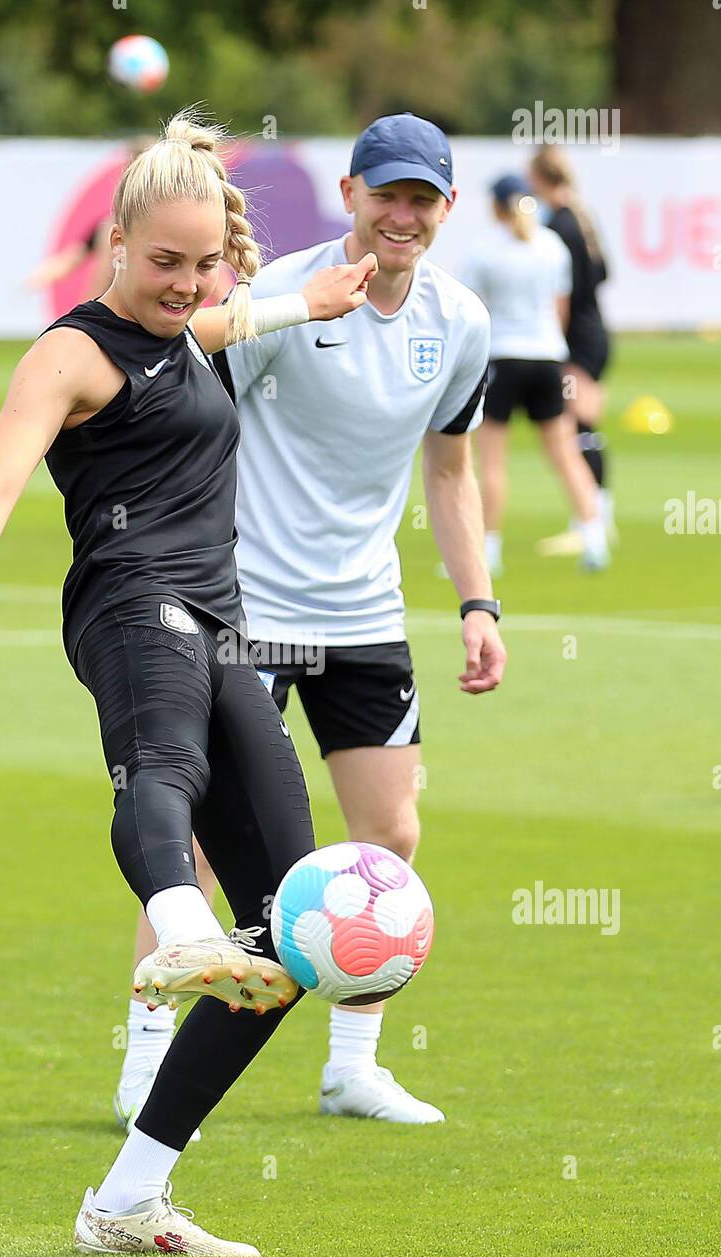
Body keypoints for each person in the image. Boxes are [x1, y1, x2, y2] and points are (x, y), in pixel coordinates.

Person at [0, 109, 376, 1257]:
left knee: (287, 935)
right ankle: (176, 923)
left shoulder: (190, 329)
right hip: (127, 605)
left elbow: (216, 324)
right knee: (161, 766)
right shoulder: (69, 352)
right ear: (112, 241)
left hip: (224, 624)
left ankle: (127, 1197)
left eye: (201, 261)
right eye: (161, 260)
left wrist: (296, 305)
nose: (183, 283)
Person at [114, 112, 507, 1136]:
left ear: (445, 209)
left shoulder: (459, 322)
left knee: (388, 835)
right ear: (349, 195)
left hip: (364, 611)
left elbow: (451, 470)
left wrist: (476, 601)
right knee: (208, 852)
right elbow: (176, 398)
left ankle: (351, 1067)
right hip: (247, 609)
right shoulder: (279, 296)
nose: (402, 214)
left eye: (421, 199)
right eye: (386, 195)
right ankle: (146, 1058)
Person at [460, 174, 609, 576]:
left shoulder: (486, 248)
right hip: (547, 358)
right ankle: (594, 537)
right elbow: (560, 308)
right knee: (564, 452)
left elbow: (472, 308)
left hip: (505, 357)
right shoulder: (551, 245)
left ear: (497, 205)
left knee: (491, 460)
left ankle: (487, 550)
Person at [528, 147, 615, 557]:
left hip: (576, 338)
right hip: (594, 331)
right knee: (585, 426)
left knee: (576, 428)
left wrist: (556, 340)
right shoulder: (582, 216)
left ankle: (591, 522)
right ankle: (597, 518)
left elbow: (566, 288)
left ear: (540, 177)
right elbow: (602, 273)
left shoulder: (559, 224)